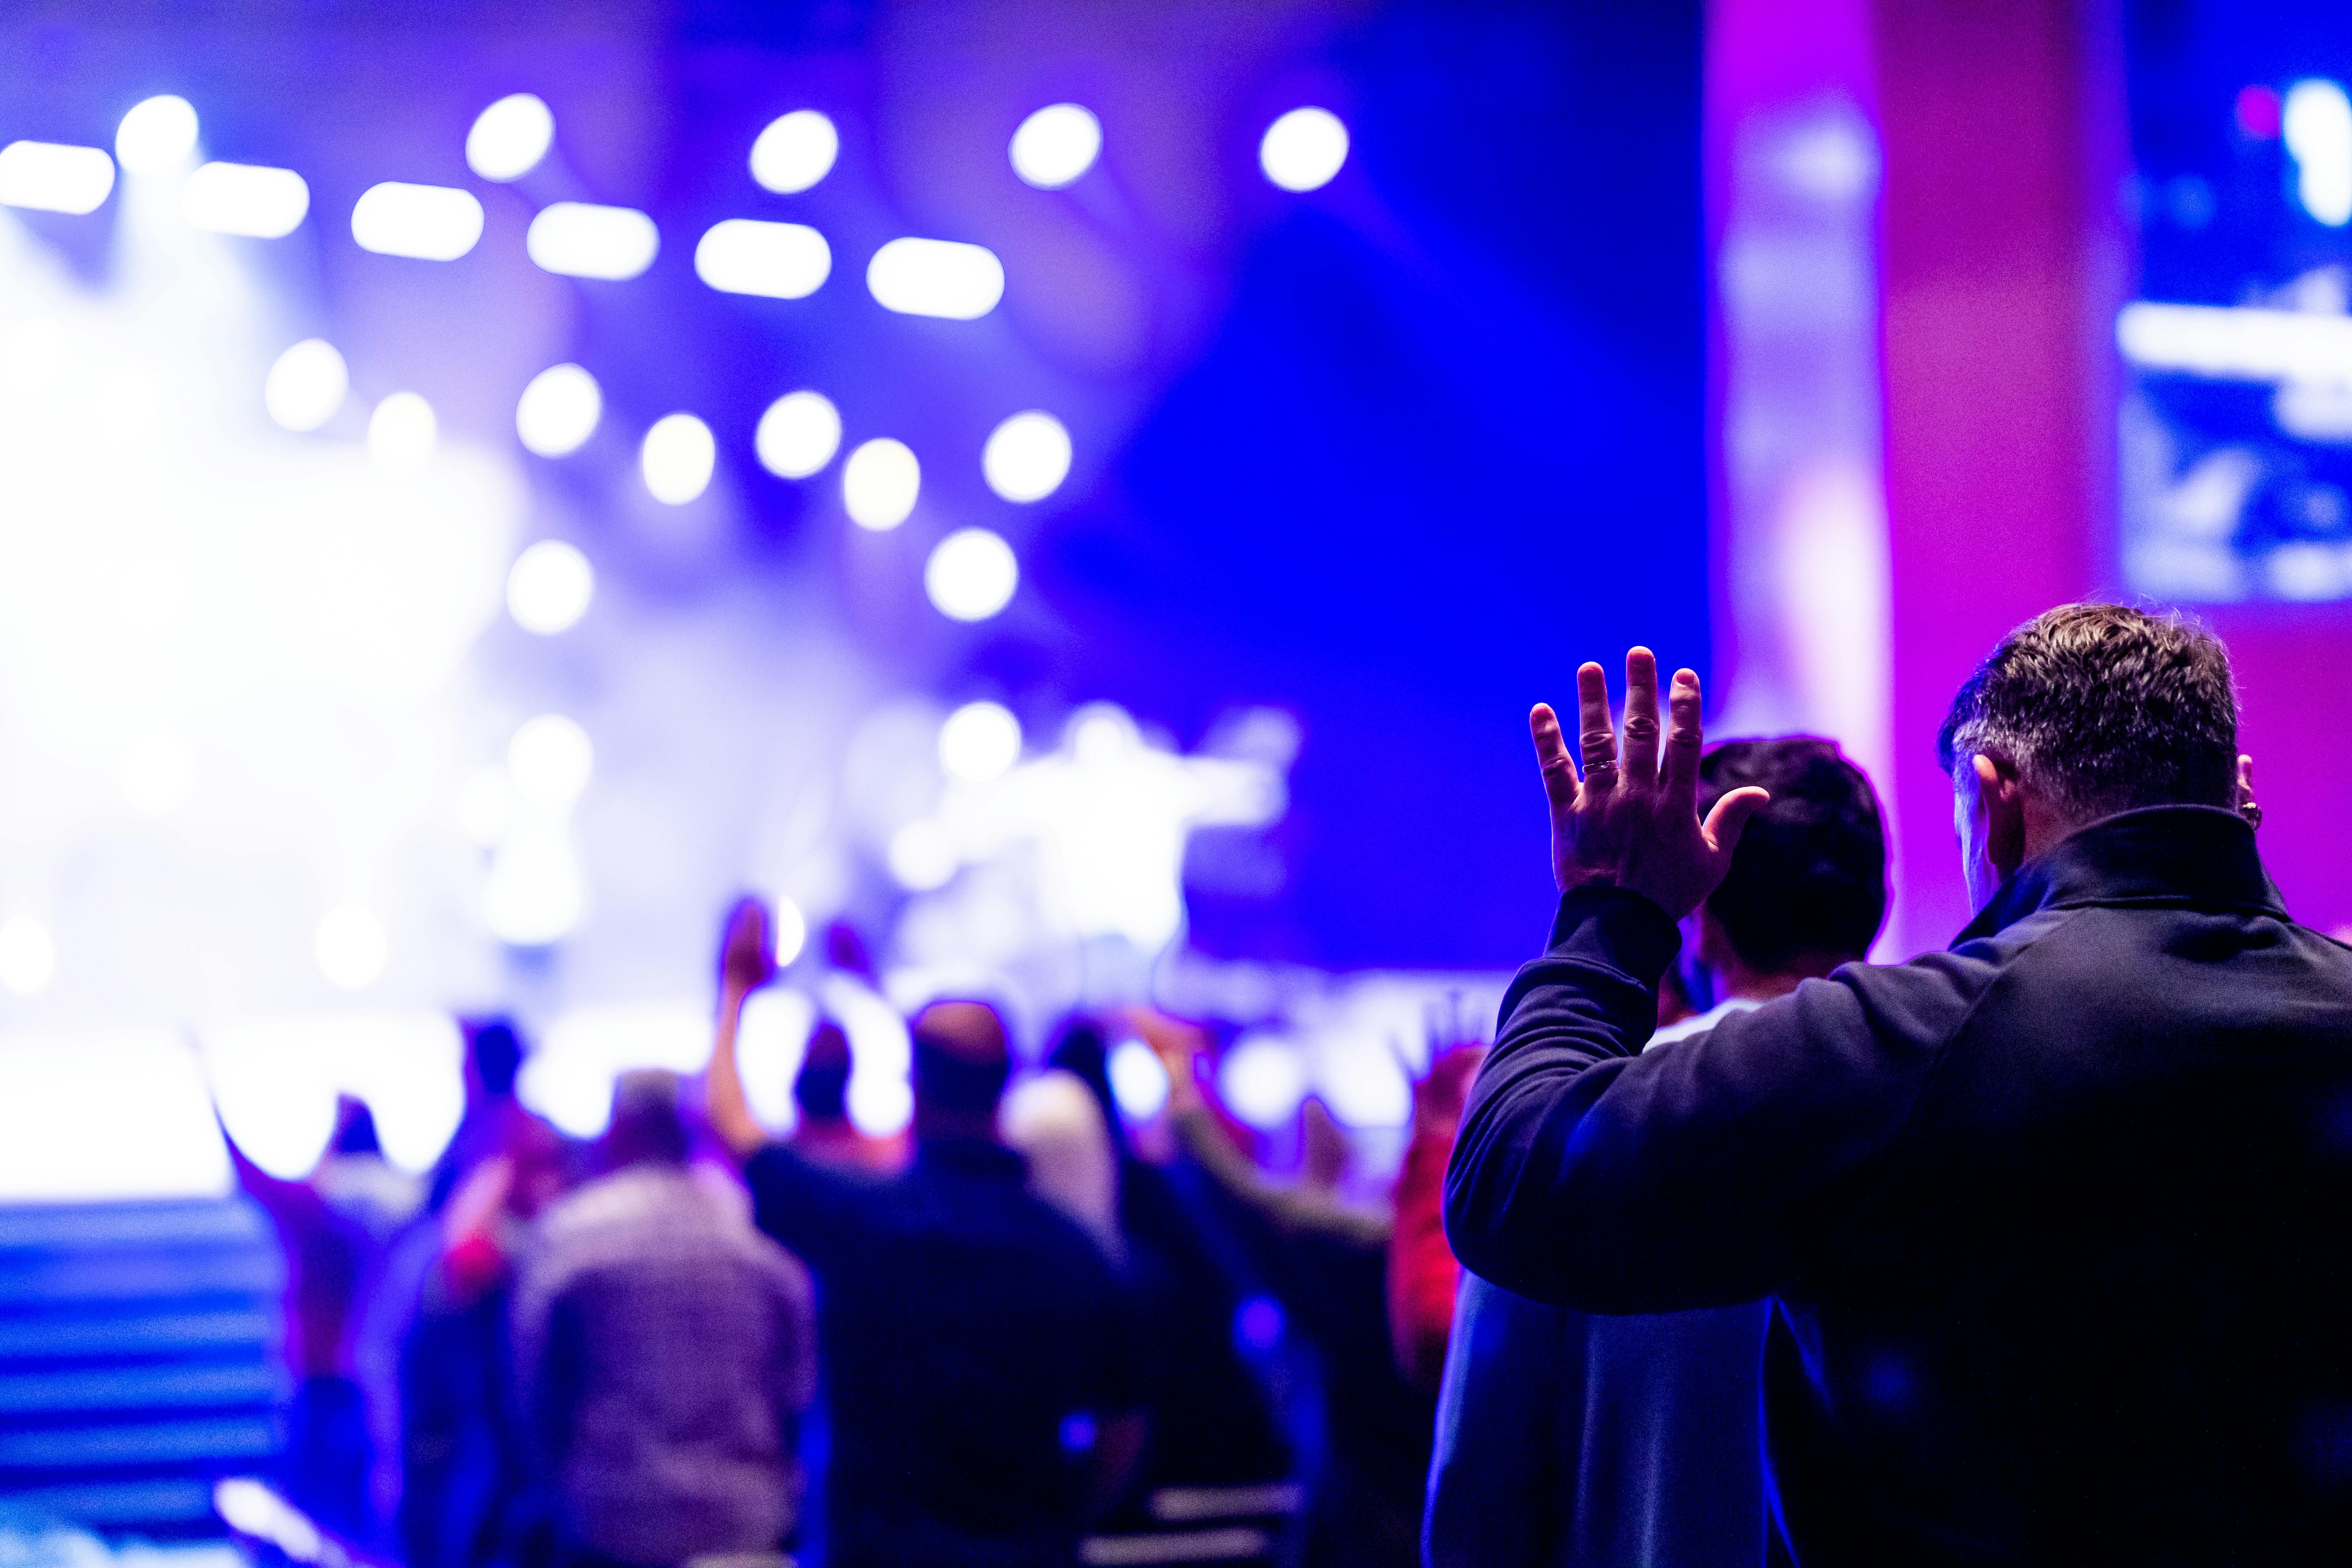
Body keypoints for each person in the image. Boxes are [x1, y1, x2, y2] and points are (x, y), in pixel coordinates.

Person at [1444, 608, 2352, 1567]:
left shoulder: (1912, 1047)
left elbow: (1515, 1177)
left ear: (1995, 806)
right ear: (2234, 797)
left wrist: (1609, 908)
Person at [1423, 736, 1888, 1568]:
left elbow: (1479, 1473)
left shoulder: (1584, 1117)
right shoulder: (1942, 1091)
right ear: (1874, 903)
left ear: (1698, 918)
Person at [704, 898, 1144, 1568]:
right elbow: (1124, 1428)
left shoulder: (864, 1220)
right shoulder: (1077, 1253)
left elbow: (733, 1123)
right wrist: (1055, 1522)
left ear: (914, 1083)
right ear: (1004, 1088)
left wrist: (737, 988)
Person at [1138, 1011, 1432, 1568]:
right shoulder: (1513, 1251)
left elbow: (1240, 1200)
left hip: (1372, 1536)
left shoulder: (1371, 1262)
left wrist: (1181, 1087)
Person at [512, 1069, 815, 1568]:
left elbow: (533, 1386)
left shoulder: (569, 1232)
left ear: (618, 1130)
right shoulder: (753, 1226)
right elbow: (800, 1384)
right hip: (746, 1524)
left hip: (613, 1520)